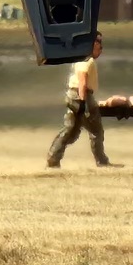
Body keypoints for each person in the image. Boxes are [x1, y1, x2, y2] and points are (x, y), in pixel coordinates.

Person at [46, 31, 112, 168]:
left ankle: (53, 159)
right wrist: (83, 103)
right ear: (92, 43)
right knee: (96, 130)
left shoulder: (82, 57)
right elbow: (82, 81)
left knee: (70, 131)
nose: (101, 47)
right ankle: (102, 161)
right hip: (81, 95)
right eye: (99, 42)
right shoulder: (86, 59)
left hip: (73, 95)